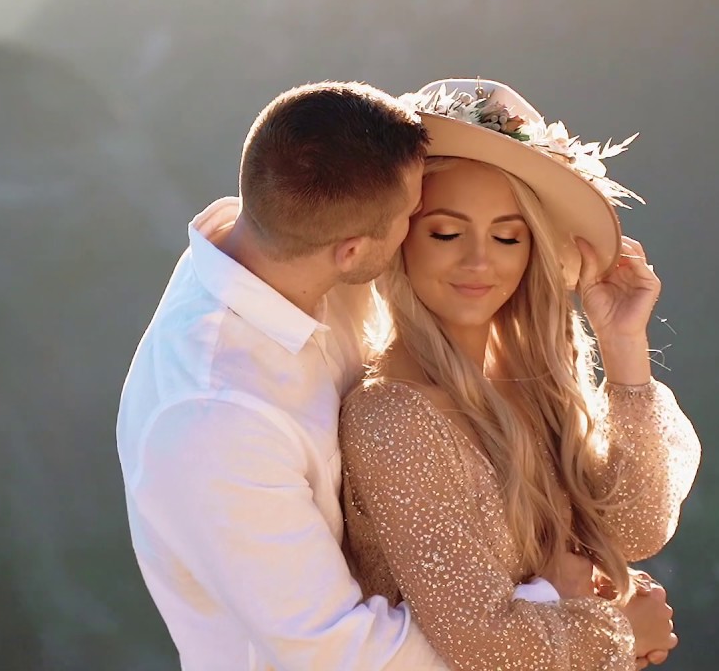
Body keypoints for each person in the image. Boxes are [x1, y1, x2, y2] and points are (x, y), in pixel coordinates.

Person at [116, 81, 583, 670]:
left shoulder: (279, 231)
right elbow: (339, 653)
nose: (418, 225)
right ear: (353, 251)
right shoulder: (217, 420)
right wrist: (561, 610)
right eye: (415, 217)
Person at [340, 79, 703, 671]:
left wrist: (623, 344)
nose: (480, 261)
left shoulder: (526, 381)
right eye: (447, 232)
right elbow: (481, 642)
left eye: (508, 236)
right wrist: (617, 631)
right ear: (401, 239)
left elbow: (636, 527)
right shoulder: (395, 416)